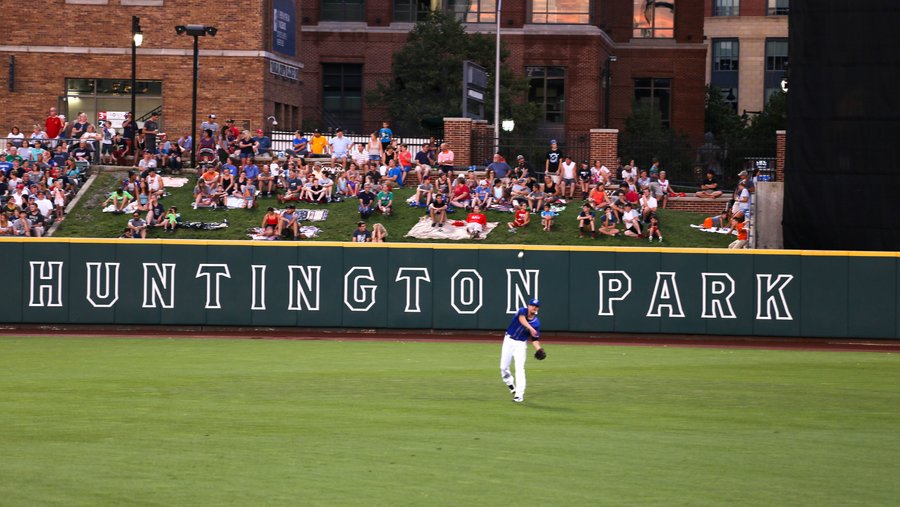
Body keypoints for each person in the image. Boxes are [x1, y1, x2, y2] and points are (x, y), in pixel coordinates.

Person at [500, 298, 545, 403]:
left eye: (536, 306)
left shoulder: (536, 323)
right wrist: (531, 328)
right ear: (528, 306)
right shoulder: (522, 311)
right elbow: (522, 320)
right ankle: (510, 384)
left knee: (520, 369)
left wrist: (539, 349)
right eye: (532, 305)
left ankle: (519, 395)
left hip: (520, 344)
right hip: (508, 341)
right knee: (503, 367)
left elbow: (534, 339)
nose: (534, 307)